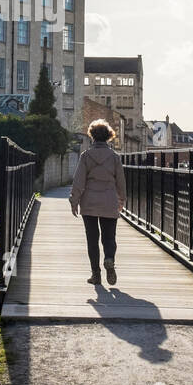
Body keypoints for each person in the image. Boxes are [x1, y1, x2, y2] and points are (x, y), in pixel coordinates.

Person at [69, 119, 126, 285]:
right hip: (109, 200)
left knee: (92, 239)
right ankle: (109, 259)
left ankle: (96, 274)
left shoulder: (86, 156)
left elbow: (78, 181)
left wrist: (74, 201)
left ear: (92, 136)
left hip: (90, 203)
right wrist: (121, 199)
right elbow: (121, 181)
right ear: (108, 137)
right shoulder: (115, 157)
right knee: (109, 237)